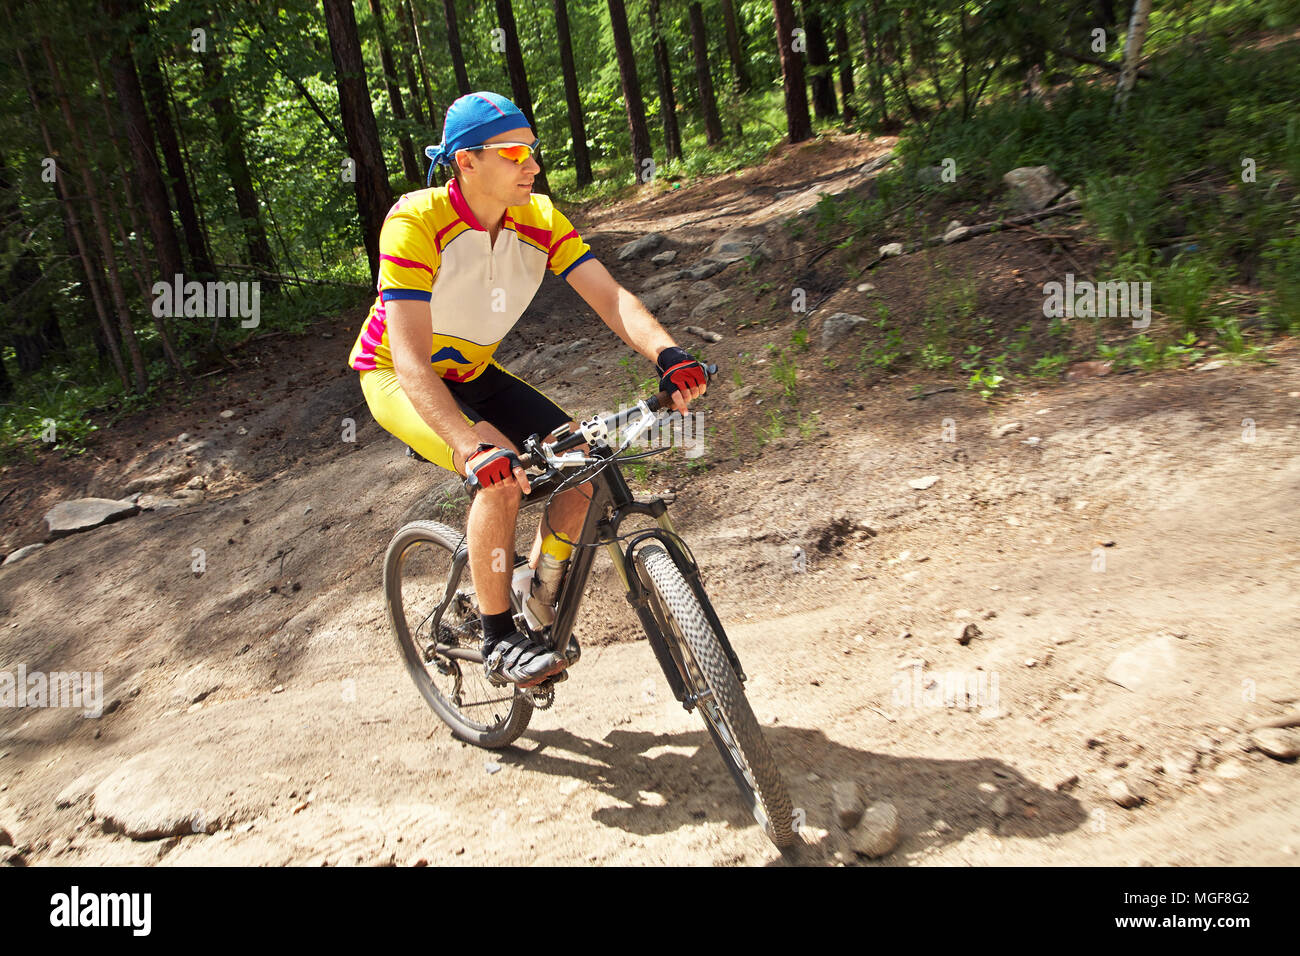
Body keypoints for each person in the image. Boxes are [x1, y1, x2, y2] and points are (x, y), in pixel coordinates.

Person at [347, 91, 708, 688]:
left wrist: (668, 354)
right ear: (465, 162)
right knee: (501, 470)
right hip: (396, 373)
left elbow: (611, 297)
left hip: (473, 369)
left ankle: (535, 591)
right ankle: (497, 639)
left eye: (532, 152)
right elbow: (410, 358)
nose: (532, 166)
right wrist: (469, 446)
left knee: (585, 464)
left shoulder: (540, 219)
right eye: (513, 153)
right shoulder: (415, 222)